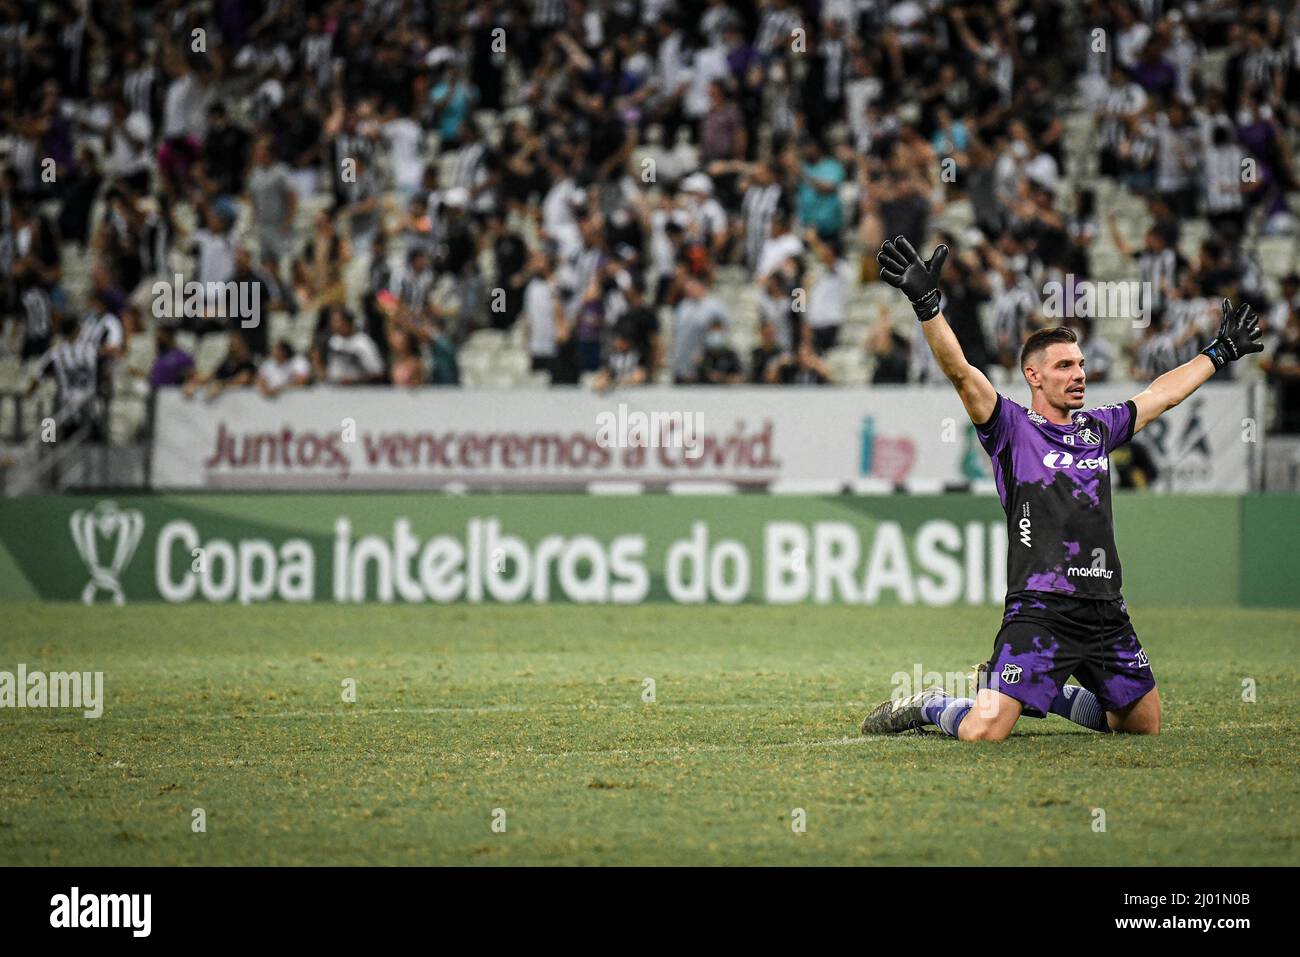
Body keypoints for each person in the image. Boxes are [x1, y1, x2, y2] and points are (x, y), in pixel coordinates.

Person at [862, 235, 1262, 741]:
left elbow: (1160, 395)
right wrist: (927, 306)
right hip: (1040, 608)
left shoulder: (1097, 428)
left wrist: (1219, 352)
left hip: (1103, 607)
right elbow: (961, 373)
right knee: (984, 732)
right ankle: (931, 705)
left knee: (1142, 726)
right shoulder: (1011, 427)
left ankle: (1045, 690)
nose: (1079, 375)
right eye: (1064, 366)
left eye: (1080, 365)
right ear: (1033, 374)